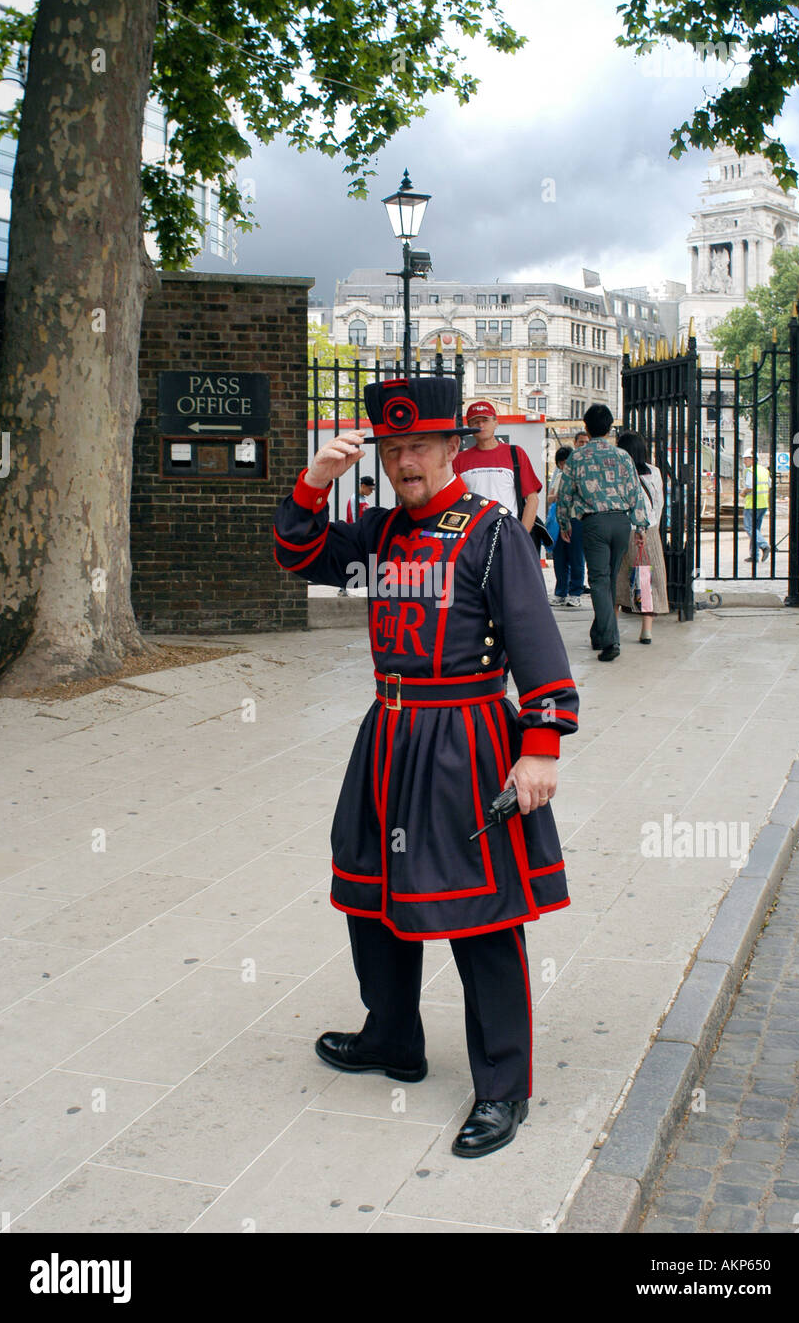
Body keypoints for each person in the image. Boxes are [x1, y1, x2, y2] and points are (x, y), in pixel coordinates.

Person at [273, 376, 579, 1158]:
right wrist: (313, 483)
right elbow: (295, 556)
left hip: (468, 736)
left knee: (481, 915)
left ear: (450, 449)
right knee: (371, 891)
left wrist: (539, 745)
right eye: (393, 448)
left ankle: (502, 1086)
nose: (406, 460)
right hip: (389, 732)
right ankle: (393, 1038)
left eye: (419, 446)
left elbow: (534, 640)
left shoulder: (491, 531)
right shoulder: (375, 535)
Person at [555, 403, 650, 661]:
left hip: (594, 523)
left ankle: (610, 641)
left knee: (598, 581)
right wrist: (640, 525)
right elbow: (635, 492)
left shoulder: (577, 457)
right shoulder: (622, 456)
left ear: (586, 426)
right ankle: (599, 633)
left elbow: (564, 495)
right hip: (621, 523)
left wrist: (564, 524)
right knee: (607, 579)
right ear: (609, 427)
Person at [452, 400, 542, 535]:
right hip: (472, 538)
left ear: (496, 422)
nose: (481, 425)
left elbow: (532, 498)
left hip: (508, 534)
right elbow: (453, 502)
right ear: (469, 426)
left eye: (485, 420)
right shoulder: (459, 459)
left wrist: (522, 535)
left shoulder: (515, 453)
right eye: (475, 421)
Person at [614, 430, 669, 643]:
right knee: (644, 578)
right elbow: (659, 503)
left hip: (620, 529)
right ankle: (646, 631)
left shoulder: (617, 474)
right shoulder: (653, 472)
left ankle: (613, 628)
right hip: (646, 531)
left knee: (617, 577)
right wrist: (651, 525)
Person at [548, 445, 585, 608]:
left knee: (576, 556)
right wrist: (556, 497)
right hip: (559, 520)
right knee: (559, 558)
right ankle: (560, 591)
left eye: (566, 462)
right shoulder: (558, 477)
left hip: (576, 519)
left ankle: (575, 592)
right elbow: (549, 497)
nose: (564, 466)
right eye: (561, 463)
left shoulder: (581, 476)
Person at [742, 452, 770, 564]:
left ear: (752, 459)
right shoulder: (764, 470)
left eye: (746, 459)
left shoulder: (750, 471)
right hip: (763, 503)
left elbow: (749, 486)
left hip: (752, 504)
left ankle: (764, 545)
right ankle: (754, 555)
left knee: (749, 528)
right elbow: (770, 485)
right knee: (755, 530)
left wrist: (743, 493)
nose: (744, 461)